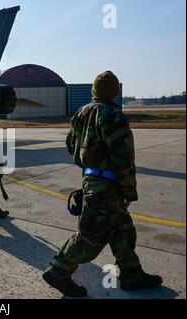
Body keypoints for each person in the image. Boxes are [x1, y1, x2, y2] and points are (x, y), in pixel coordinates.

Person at [42, 71, 163, 297]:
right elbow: (123, 158)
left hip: (93, 180)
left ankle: (131, 274)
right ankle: (58, 271)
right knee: (90, 237)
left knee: (123, 230)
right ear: (115, 92)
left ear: (93, 91)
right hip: (109, 187)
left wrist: (90, 168)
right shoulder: (113, 116)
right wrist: (129, 191)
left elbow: (71, 146)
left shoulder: (81, 113)